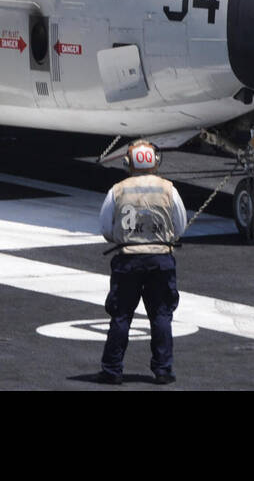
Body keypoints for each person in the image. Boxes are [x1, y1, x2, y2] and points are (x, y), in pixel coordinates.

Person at [97, 140, 187, 384]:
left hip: (128, 261)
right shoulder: (168, 189)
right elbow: (179, 225)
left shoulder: (118, 190)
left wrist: (128, 238)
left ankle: (112, 370)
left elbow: (106, 228)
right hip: (161, 260)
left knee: (121, 315)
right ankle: (163, 370)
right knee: (160, 315)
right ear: (155, 162)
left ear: (129, 162)